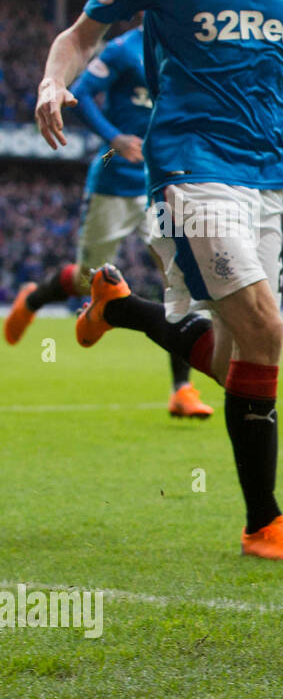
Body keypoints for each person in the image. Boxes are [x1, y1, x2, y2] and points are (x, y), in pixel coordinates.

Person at [34, 0, 283, 562]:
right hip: (188, 165)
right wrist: (51, 82)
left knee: (236, 365)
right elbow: (81, 35)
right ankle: (264, 523)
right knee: (266, 331)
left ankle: (117, 308)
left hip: (264, 174)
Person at [5, 24, 213, 419]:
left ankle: (182, 390)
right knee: (87, 278)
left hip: (162, 184)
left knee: (179, 278)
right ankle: (32, 299)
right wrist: (115, 138)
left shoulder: (186, 46)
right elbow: (79, 93)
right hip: (114, 178)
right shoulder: (122, 49)